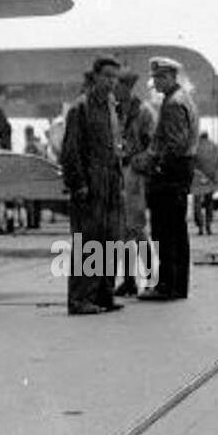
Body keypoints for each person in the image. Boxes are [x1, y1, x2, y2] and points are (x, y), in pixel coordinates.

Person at [59, 55, 125, 315]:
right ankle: (79, 299)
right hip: (90, 183)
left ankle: (103, 295)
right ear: (95, 76)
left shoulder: (110, 107)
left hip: (110, 183)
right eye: (107, 76)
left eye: (114, 78)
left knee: (110, 239)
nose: (111, 82)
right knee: (88, 242)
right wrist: (78, 184)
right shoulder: (80, 108)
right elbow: (70, 151)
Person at [133, 57, 199, 298]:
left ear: (172, 76)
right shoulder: (184, 99)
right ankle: (177, 286)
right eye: (156, 78)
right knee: (177, 233)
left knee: (165, 231)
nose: (157, 82)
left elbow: (175, 145)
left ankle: (166, 287)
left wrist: (154, 165)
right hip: (181, 172)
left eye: (161, 77)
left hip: (170, 174)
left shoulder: (172, 104)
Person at [114, 70, 152, 295]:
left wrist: (140, 162)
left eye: (118, 85)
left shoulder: (143, 112)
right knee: (123, 231)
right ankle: (129, 280)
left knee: (136, 229)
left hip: (135, 175)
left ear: (127, 87)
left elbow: (152, 144)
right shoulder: (115, 111)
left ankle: (148, 277)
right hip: (120, 173)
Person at [192, 131, 218, 235]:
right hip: (210, 177)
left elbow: (192, 162)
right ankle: (208, 226)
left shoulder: (195, 146)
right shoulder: (214, 146)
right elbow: (216, 162)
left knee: (197, 203)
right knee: (209, 203)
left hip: (198, 178)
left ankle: (200, 226)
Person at [22, 125, 49, 230]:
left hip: (31, 177)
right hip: (38, 176)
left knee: (30, 201)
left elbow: (28, 162)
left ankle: (31, 223)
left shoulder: (30, 146)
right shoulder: (38, 145)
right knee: (36, 201)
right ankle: (36, 223)